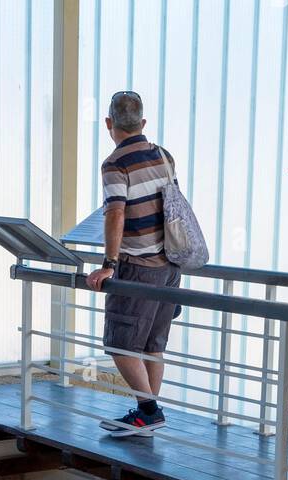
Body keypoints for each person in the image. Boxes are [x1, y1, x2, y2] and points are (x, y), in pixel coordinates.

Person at [84, 91, 183, 438]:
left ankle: (148, 411)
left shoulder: (115, 164)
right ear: (142, 123)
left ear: (109, 124)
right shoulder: (163, 155)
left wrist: (108, 263)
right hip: (170, 266)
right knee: (153, 345)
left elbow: (116, 211)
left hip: (138, 266)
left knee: (121, 343)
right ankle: (148, 416)